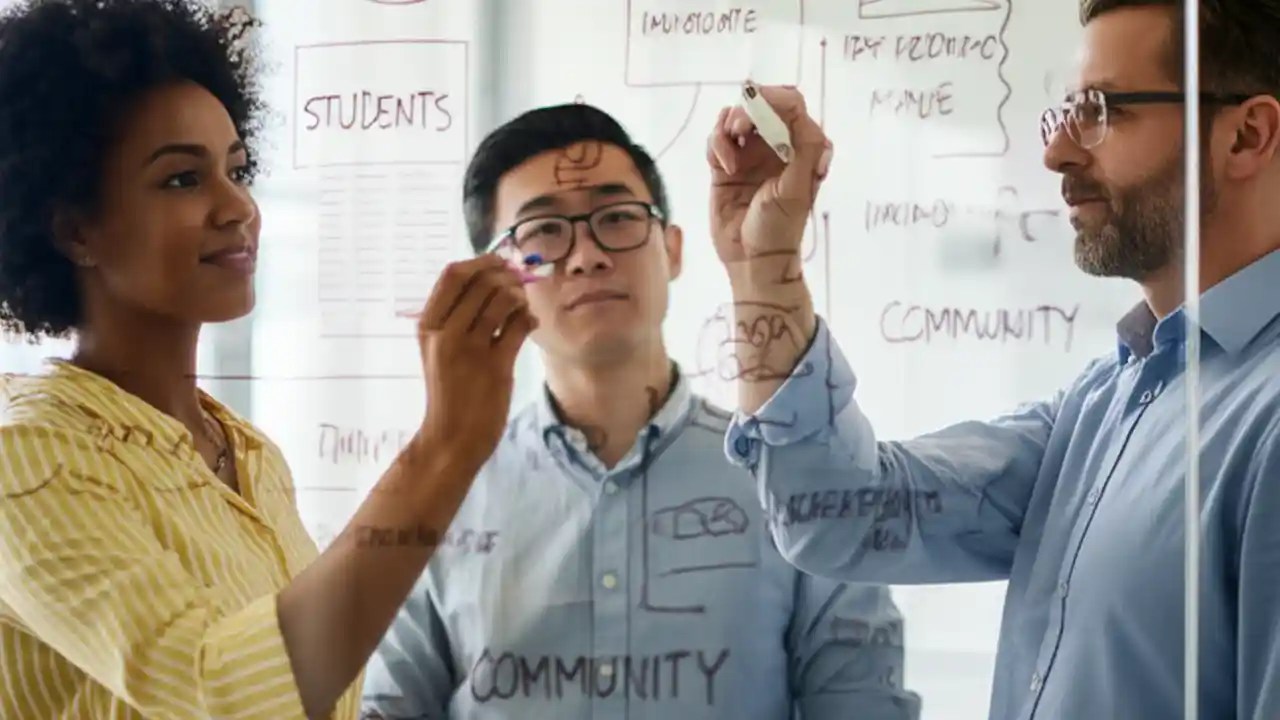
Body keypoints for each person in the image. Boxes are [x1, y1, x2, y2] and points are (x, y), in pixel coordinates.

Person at [704, 0, 1280, 719]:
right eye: (1065, 112)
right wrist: (766, 267)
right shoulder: (1108, 402)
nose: (1057, 153)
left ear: (1246, 134)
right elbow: (840, 514)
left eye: (1101, 110)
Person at [0, 1, 535, 718]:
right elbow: (223, 694)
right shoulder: (29, 458)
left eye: (238, 168)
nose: (238, 207)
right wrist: (443, 448)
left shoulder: (251, 457)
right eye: (182, 180)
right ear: (75, 230)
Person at [360, 103, 922, 720]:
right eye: (544, 232)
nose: (587, 256)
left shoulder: (796, 479)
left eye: (618, 218)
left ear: (673, 249)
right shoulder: (441, 494)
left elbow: (863, 703)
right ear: (498, 278)